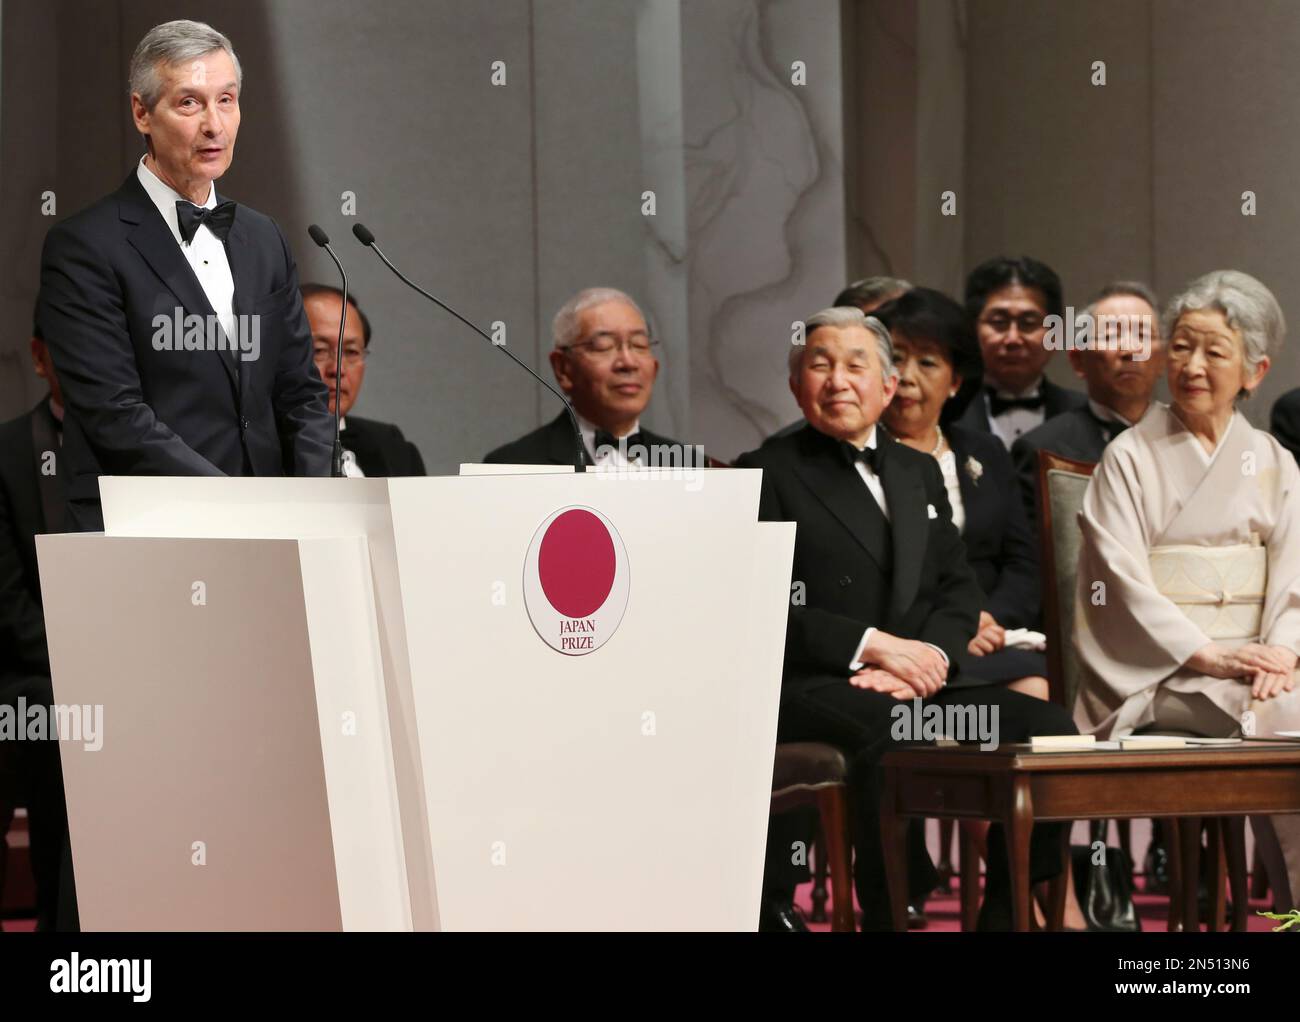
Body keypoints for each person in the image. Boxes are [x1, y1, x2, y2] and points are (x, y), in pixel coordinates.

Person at [736, 306, 1075, 931]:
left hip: (921, 684)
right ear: (795, 385)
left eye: (855, 365)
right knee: (892, 731)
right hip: (814, 683)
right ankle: (889, 912)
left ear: (887, 386)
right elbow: (758, 604)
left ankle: (1007, 913)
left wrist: (932, 660)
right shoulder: (766, 472)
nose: (838, 379)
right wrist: (873, 647)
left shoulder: (916, 469)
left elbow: (957, 587)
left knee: (1051, 726)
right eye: (820, 365)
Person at [36, 19, 331, 531]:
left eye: (227, 99)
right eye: (190, 103)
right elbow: (116, 415)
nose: (214, 125)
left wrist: (314, 509)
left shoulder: (264, 238)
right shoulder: (84, 246)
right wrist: (237, 509)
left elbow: (301, 394)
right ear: (141, 112)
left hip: (275, 533)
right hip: (147, 531)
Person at [1075, 269, 1300, 913]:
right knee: (1284, 718)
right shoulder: (1128, 457)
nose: (1192, 365)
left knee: (1280, 703)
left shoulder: (1274, 460)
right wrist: (1207, 654)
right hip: (1161, 674)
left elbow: (1294, 571)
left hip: (1258, 668)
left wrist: (1282, 651)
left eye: (1214, 351)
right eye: (1180, 346)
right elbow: (1114, 580)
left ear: (1254, 372)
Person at [0, 319, 72, 930]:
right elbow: (9, 602)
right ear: (39, 358)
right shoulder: (5, 451)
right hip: (31, 672)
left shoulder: (146, 450)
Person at [484, 287, 698, 467]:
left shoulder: (688, 465)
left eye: (639, 345)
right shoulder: (512, 467)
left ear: (655, 367)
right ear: (563, 369)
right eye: (603, 346)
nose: (628, 363)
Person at [1011, 281, 1165, 525]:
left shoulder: (1188, 438)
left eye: (1142, 335)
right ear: (1078, 361)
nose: (1129, 349)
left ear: (1163, 359)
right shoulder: (1041, 450)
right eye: (1111, 336)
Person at [954, 256, 1086, 448]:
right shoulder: (944, 410)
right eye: (999, 322)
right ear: (971, 329)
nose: (1013, 339)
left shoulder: (1085, 415)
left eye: (1028, 323)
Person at [302, 284, 425, 477]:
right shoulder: (254, 450)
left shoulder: (394, 448)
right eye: (319, 350)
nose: (337, 369)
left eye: (351, 352)